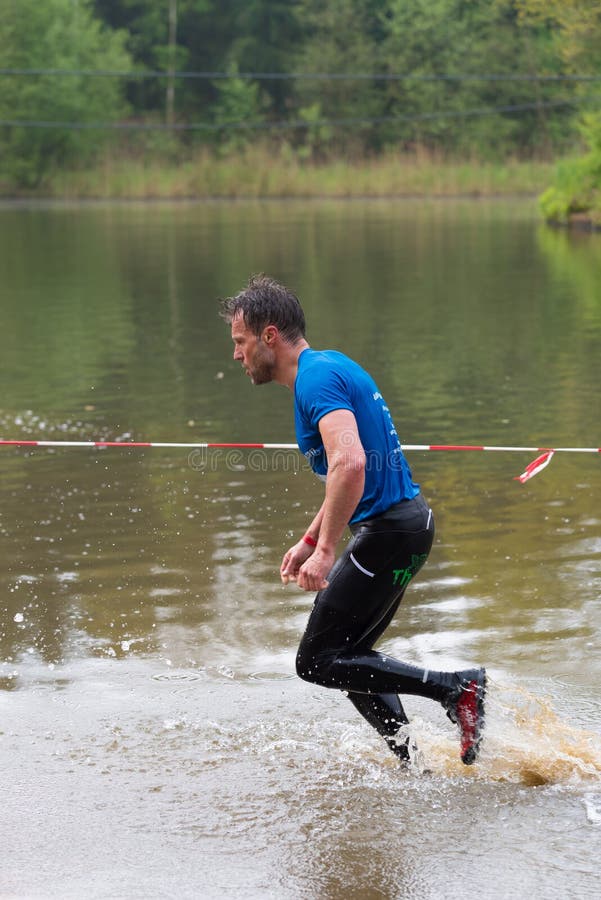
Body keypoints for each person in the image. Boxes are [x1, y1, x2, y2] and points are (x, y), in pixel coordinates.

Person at [220, 274, 486, 766]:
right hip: (406, 528)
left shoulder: (315, 380)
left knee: (317, 662)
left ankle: (458, 688)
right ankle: (413, 764)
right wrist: (311, 537)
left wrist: (325, 553)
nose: (236, 354)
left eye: (240, 341)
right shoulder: (328, 366)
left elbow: (352, 463)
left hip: (389, 533)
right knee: (350, 658)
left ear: (269, 336)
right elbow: (347, 473)